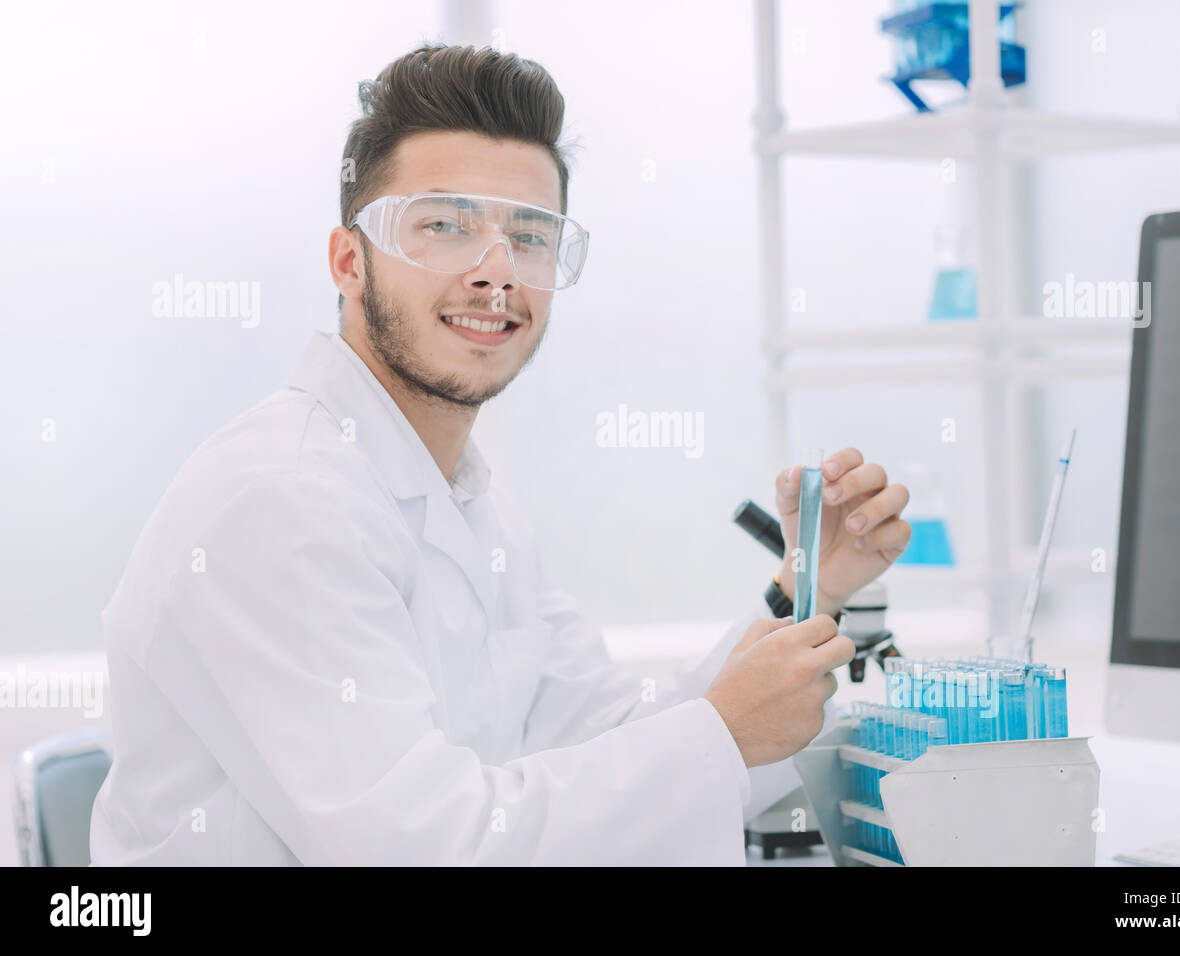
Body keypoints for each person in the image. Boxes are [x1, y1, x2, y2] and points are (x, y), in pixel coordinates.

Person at [89, 43, 911, 865]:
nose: (495, 274)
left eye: (529, 236)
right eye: (444, 227)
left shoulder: (469, 501)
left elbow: (606, 733)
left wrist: (810, 585)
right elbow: (421, 846)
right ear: (349, 261)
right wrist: (720, 738)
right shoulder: (279, 500)